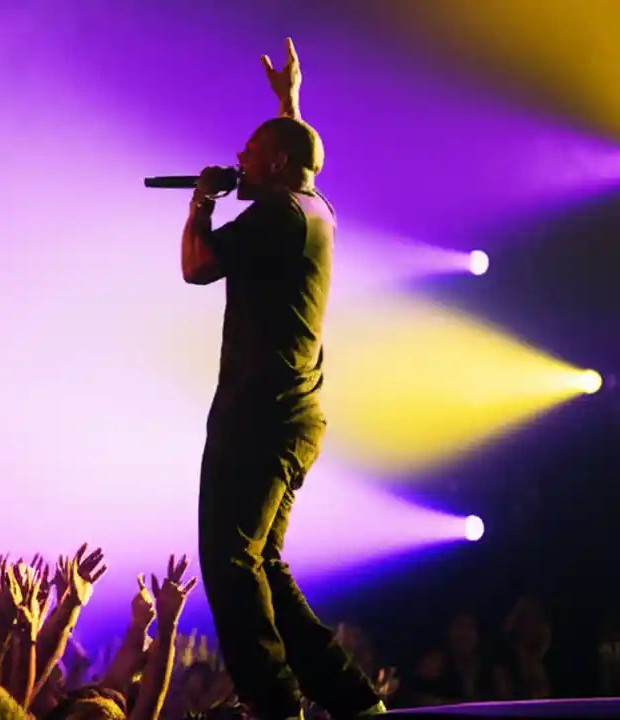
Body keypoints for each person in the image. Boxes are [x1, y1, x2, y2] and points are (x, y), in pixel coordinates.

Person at [180, 39, 384, 720]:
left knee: (232, 564)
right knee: (262, 563)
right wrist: (288, 104)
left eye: (249, 151)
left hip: (259, 417)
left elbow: (197, 267)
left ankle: (275, 704)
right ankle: (351, 701)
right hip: (290, 417)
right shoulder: (313, 209)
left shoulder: (275, 216)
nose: (237, 159)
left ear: (274, 164)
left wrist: (200, 205)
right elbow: (304, 160)